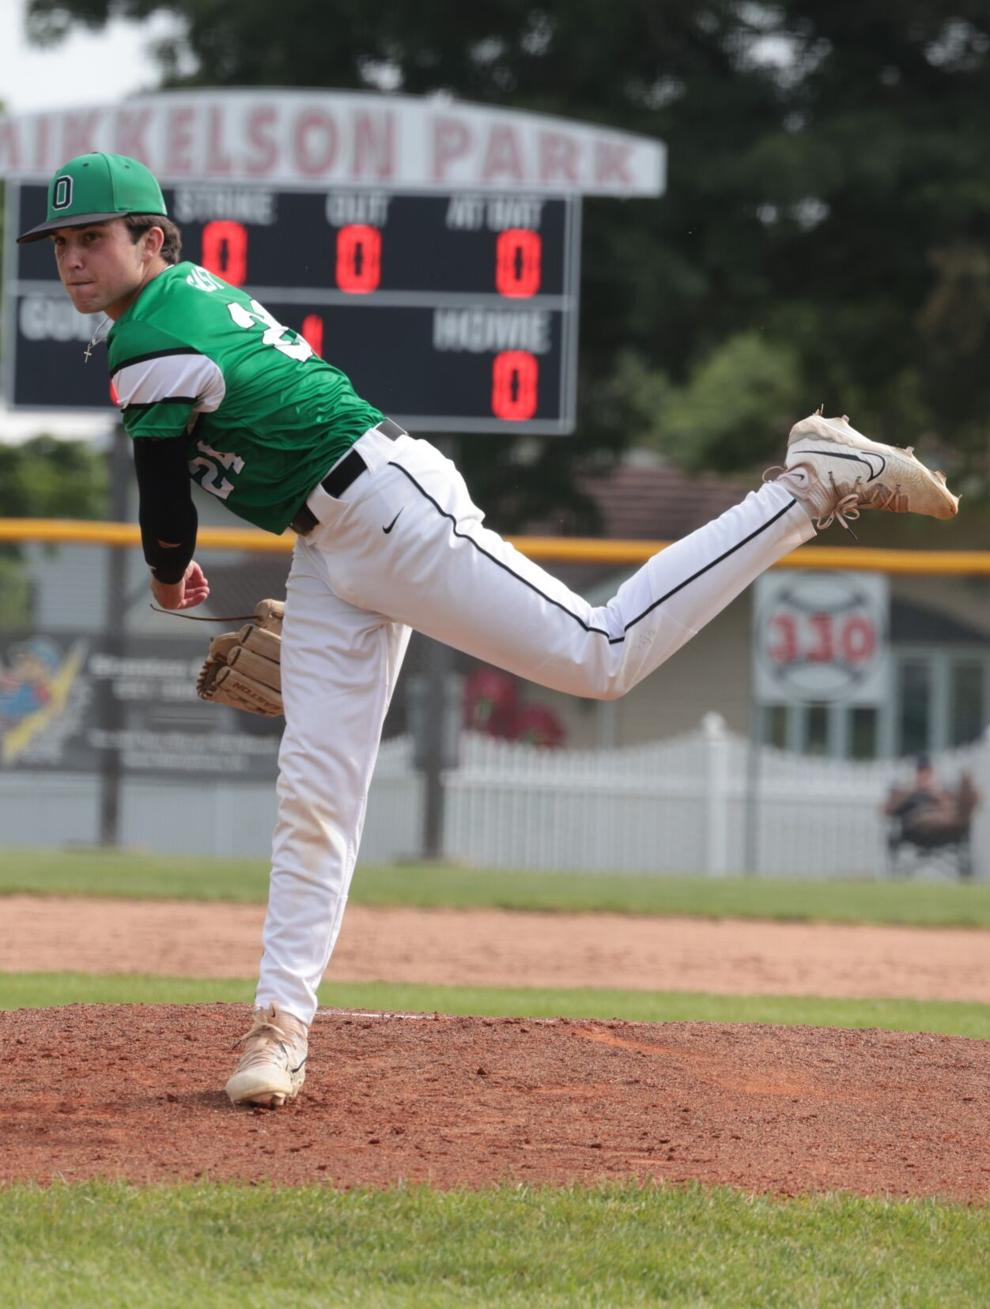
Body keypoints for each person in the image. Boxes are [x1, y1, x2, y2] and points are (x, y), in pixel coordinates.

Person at [19, 152, 960, 1108]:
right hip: (332, 545)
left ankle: (811, 484)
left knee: (602, 655)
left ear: (152, 238)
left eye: (92, 238)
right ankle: (279, 1026)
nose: (73, 260)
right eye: (60, 244)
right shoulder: (172, 303)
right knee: (315, 793)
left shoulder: (150, 338)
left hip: (392, 514)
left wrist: (169, 572)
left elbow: (163, 506)